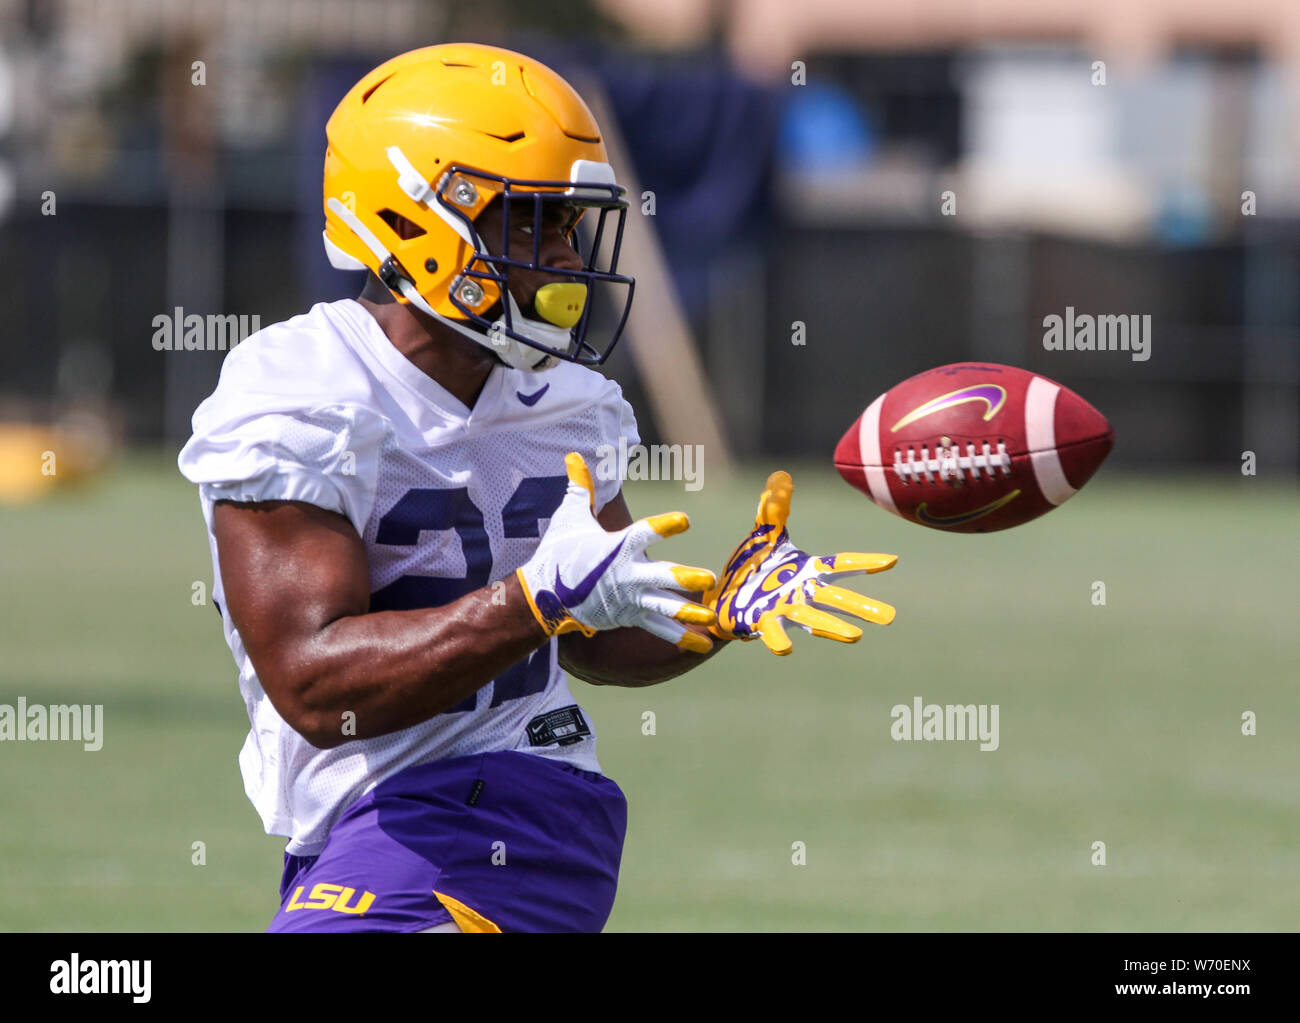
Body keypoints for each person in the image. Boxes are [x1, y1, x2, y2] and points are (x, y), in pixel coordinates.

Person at [178, 43, 897, 933]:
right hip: (361, 824)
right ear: (416, 221)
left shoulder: (566, 401)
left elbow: (596, 636)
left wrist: (712, 614)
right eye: (536, 222)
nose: (567, 253)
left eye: (567, 222)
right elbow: (317, 688)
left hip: (521, 803)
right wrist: (531, 601)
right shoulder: (302, 393)